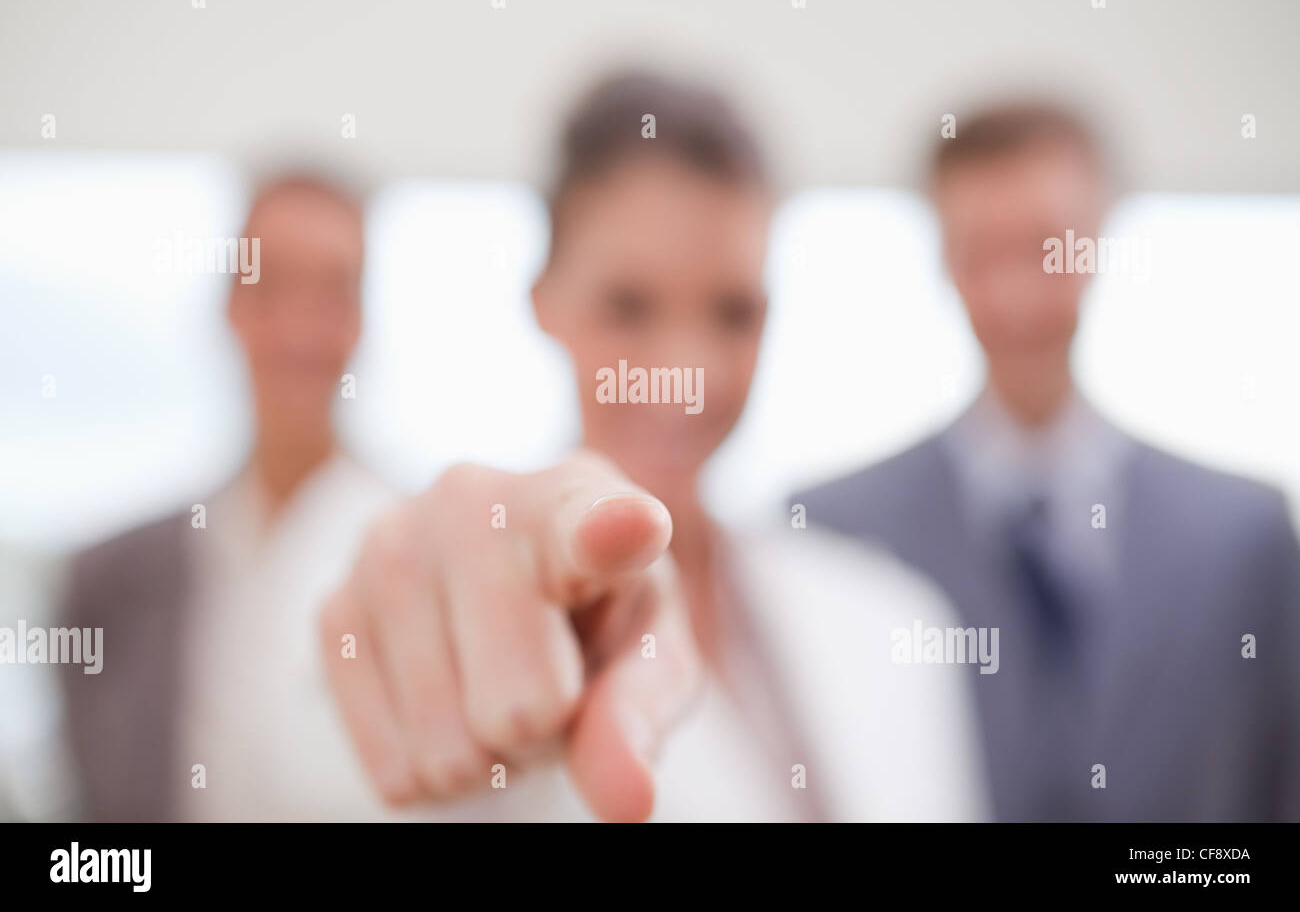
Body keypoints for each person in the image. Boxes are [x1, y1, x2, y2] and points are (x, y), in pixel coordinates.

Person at [317, 71, 989, 822]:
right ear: (542, 301)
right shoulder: (443, 599)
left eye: (733, 314)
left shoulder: (896, 623)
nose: (683, 374)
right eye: (628, 308)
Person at [797, 101, 1300, 821]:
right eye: (981, 253)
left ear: (1097, 243)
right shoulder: (832, 533)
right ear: (942, 259)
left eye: (1045, 247)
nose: (1014, 296)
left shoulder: (1244, 537)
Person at [59, 170, 398, 820]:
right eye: (269, 287)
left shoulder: (423, 554)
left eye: (334, 292)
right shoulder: (109, 583)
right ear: (229, 308)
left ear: (361, 320)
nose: (300, 330)